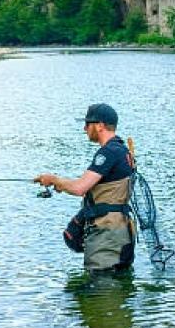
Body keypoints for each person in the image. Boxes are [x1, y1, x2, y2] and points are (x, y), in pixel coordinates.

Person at [34, 102, 135, 272]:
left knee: (101, 287)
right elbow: (98, 186)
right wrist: (61, 184)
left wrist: (53, 180)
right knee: (113, 284)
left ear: (100, 125)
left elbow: (80, 187)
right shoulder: (122, 151)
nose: (84, 129)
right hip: (121, 232)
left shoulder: (108, 152)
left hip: (107, 234)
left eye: (88, 124)